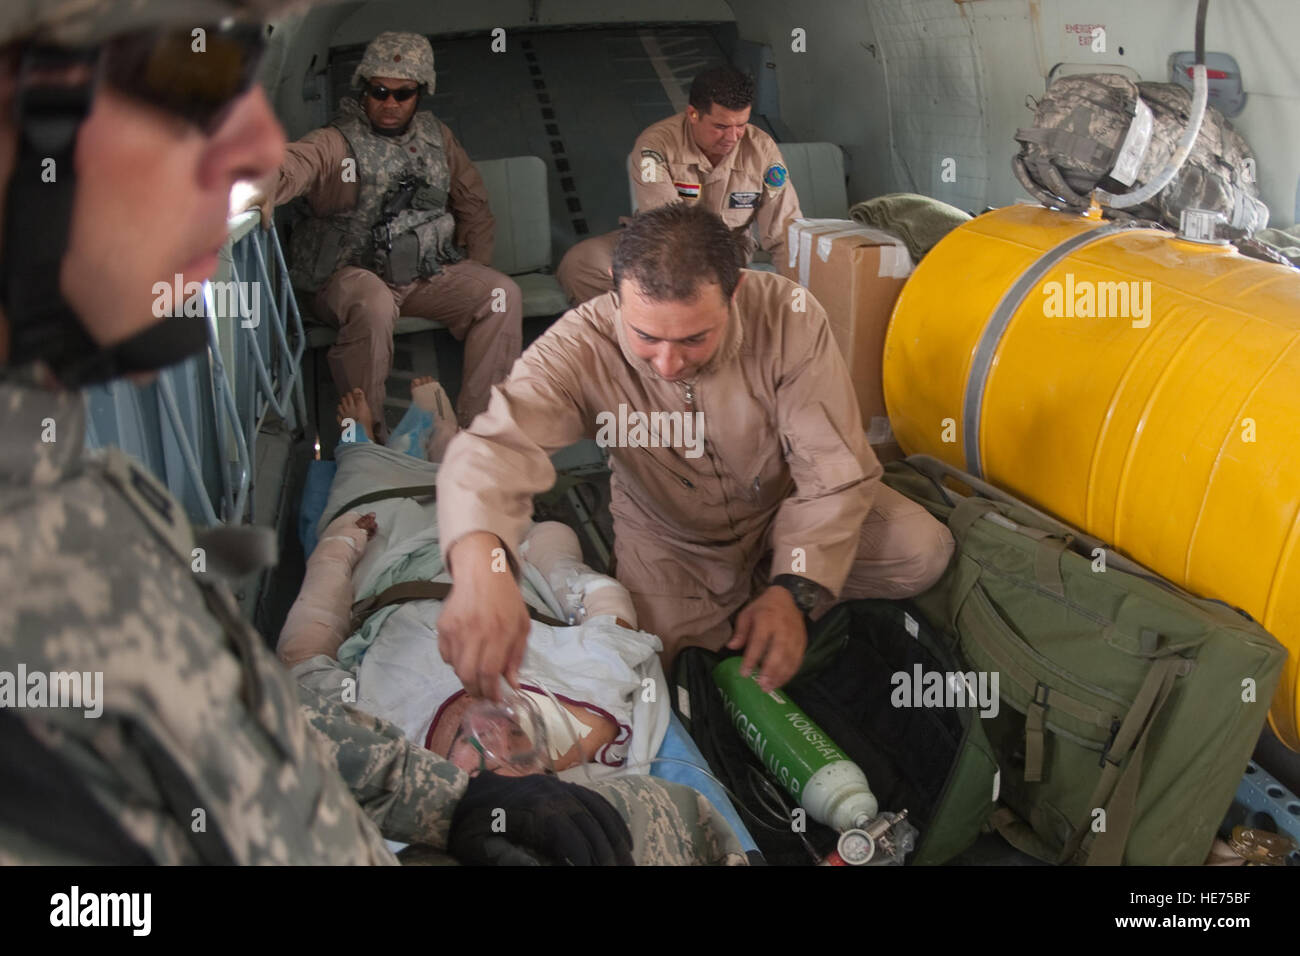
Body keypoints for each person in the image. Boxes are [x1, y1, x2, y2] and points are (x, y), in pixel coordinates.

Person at [0, 0, 741, 867]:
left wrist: (461, 804)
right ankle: (366, 428)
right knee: (370, 323)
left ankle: (463, 434)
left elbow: (269, 742)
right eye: (182, 76)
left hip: (425, 316)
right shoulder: (334, 144)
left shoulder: (71, 497)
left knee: (497, 294)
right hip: (356, 290)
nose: (241, 142)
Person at [436, 203, 956, 701]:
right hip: (671, 542)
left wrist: (795, 589)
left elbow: (833, 469)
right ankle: (740, 606)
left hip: (782, 513)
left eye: (694, 339)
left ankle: (769, 594)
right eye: (645, 338)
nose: (667, 363)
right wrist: (483, 566)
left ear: (737, 294)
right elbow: (493, 450)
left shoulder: (789, 318)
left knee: (921, 552)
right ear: (617, 297)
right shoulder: (577, 348)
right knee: (676, 672)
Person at [243, 31, 521, 439]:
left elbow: (473, 205)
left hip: (421, 275)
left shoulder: (436, 138)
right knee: (372, 302)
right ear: (364, 90)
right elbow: (293, 163)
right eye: (379, 91)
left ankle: (478, 434)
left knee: (501, 296)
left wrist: (474, 269)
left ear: (420, 94)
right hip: (347, 278)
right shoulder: (337, 142)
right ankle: (367, 437)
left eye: (402, 94)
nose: (389, 103)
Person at [556, 65, 803, 304]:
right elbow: (668, 228)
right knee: (580, 264)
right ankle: (631, 335)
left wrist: (800, 296)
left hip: (728, 251)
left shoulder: (761, 149)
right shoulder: (654, 146)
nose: (733, 137)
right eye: (721, 126)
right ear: (693, 114)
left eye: (741, 125)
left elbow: (785, 232)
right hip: (662, 244)